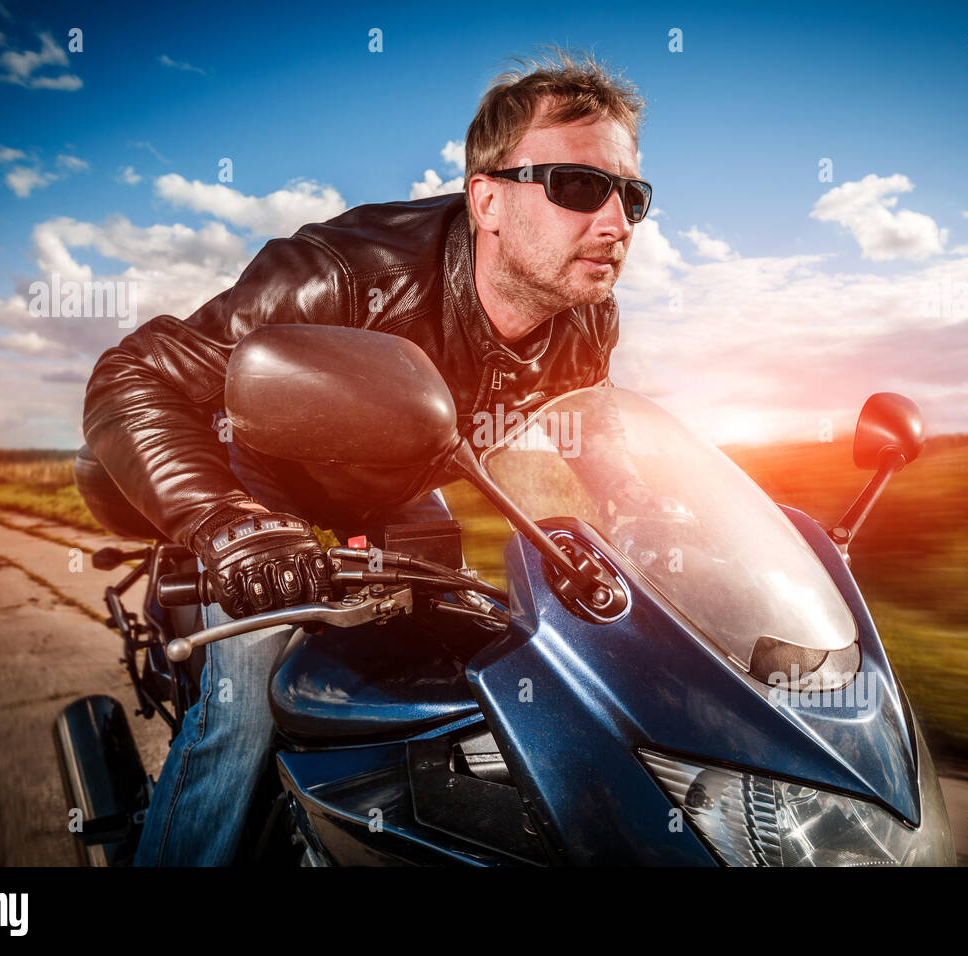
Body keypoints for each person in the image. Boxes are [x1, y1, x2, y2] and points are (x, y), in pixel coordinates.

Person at [81, 46, 652, 865]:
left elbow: (591, 429)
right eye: (578, 185)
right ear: (488, 199)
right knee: (246, 707)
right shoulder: (343, 276)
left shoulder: (586, 312)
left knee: (457, 670)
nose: (617, 223)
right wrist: (228, 522)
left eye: (632, 195)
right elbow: (133, 375)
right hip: (257, 480)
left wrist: (648, 513)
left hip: (393, 479)